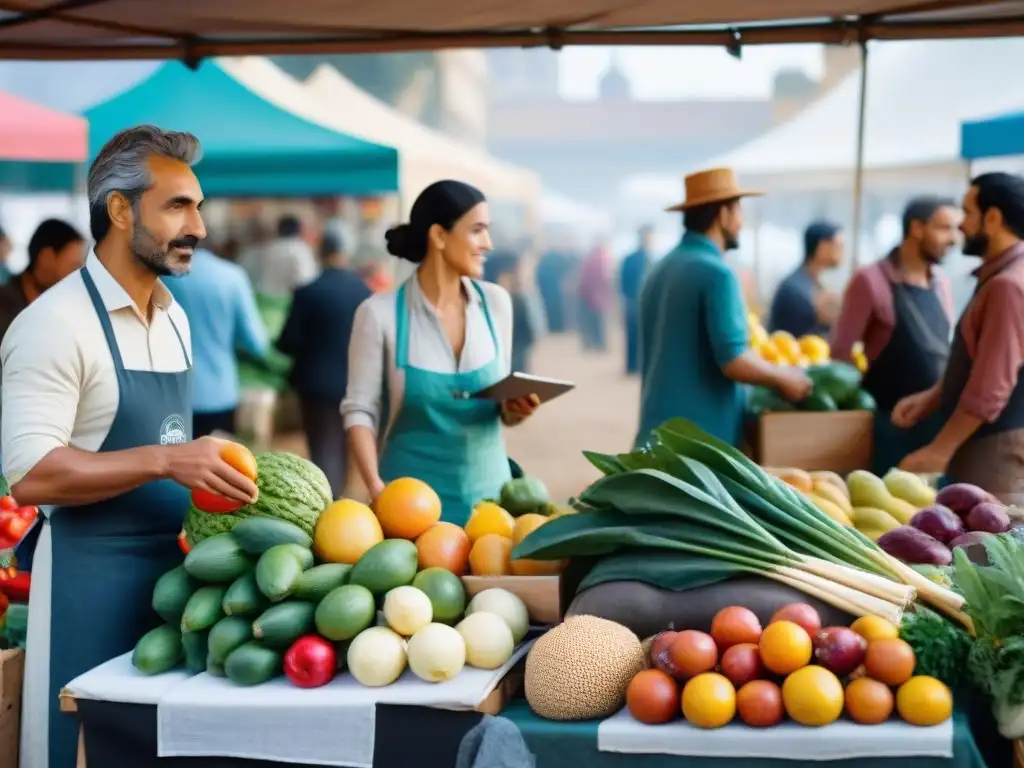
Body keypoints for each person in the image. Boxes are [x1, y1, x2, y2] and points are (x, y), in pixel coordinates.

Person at [1, 125, 259, 768]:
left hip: (176, 588)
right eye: (178, 206)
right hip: (85, 587)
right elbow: (30, 475)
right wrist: (170, 460)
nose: (198, 225)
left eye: (198, 206)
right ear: (119, 211)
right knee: (80, 749)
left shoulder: (175, 316)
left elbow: (171, 441)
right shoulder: (52, 326)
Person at [342, 180, 540, 526]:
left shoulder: (496, 304)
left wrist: (514, 410)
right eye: (477, 230)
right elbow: (360, 409)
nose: (488, 244)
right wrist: (377, 489)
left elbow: (499, 409)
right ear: (439, 236)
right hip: (408, 512)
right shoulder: (379, 314)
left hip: (491, 510)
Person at [635, 168, 812, 448]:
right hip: (700, 445)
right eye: (739, 211)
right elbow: (734, 359)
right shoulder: (718, 274)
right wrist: (783, 377)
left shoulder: (660, 269)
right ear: (723, 215)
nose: (742, 222)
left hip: (654, 437)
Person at [899, 173, 1024, 503]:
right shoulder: (1003, 275)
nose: (961, 228)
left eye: (967, 214)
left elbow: (991, 387)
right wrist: (934, 396)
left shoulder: (1008, 285)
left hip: (994, 449)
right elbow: (984, 356)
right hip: (989, 443)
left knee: (986, 549)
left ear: (993, 218)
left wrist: (938, 451)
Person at [831, 197, 959, 474]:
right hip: (889, 425)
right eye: (945, 228)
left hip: (936, 425)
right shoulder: (869, 280)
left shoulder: (942, 283)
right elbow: (841, 352)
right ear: (917, 228)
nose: (954, 239)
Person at [277, 231, 371, 498]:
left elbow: (288, 341)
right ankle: (348, 505)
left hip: (315, 386)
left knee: (324, 447)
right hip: (357, 384)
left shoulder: (308, 292)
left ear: (320, 251)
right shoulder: (364, 292)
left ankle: (327, 505)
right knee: (352, 445)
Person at [165, 240, 268, 437]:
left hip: (172, 394)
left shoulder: (164, 276)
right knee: (219, 464)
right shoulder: (232, 276)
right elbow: (256, 342)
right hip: (220, 393)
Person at [0, 218, 86, 342]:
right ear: (47, 258)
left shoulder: (64, 308)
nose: (79, 277)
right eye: (74, 267)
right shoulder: (5, 309)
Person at [768, 220, 844, 338]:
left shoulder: (814, 283)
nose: (843, 251)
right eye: (839, 246)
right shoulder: (794, 290)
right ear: (822, 247)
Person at [243, 214, 319, 296]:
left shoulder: (268, 248)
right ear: (298, 230)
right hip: (292, 299)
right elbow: (306, 279)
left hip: (268, 299)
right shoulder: (301, 249)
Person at [619, 225, 653, 375]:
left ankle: (639, 365)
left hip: (645, 302)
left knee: (643, 335)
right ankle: (631, 366)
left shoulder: (650, 259)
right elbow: (623, 281)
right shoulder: (632, 259)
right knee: (632, 335)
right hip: (633, 302)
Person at [578, 240, 612, 351]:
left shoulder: (591, 259)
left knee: (591, 322)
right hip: (596, 296)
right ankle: (599, 343)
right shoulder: (601, 259)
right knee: (598, 322)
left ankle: (593, 343)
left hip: (589, 296)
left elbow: (584, 278)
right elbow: (605, 279)